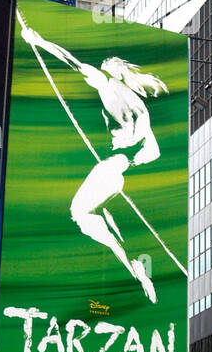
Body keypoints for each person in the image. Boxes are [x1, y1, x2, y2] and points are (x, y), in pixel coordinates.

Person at [17, 17, 170, 301]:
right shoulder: (142, 109)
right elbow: (155, 152)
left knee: (80, 213)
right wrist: (131, 160)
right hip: (122, 170)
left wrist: (37, 40)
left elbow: (71, 60)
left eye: (105, 64)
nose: (100, 67)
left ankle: (131, 267)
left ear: (114, 70)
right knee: (104, 214)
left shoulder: (107, 83)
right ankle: (133, 263)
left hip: (110, 166)